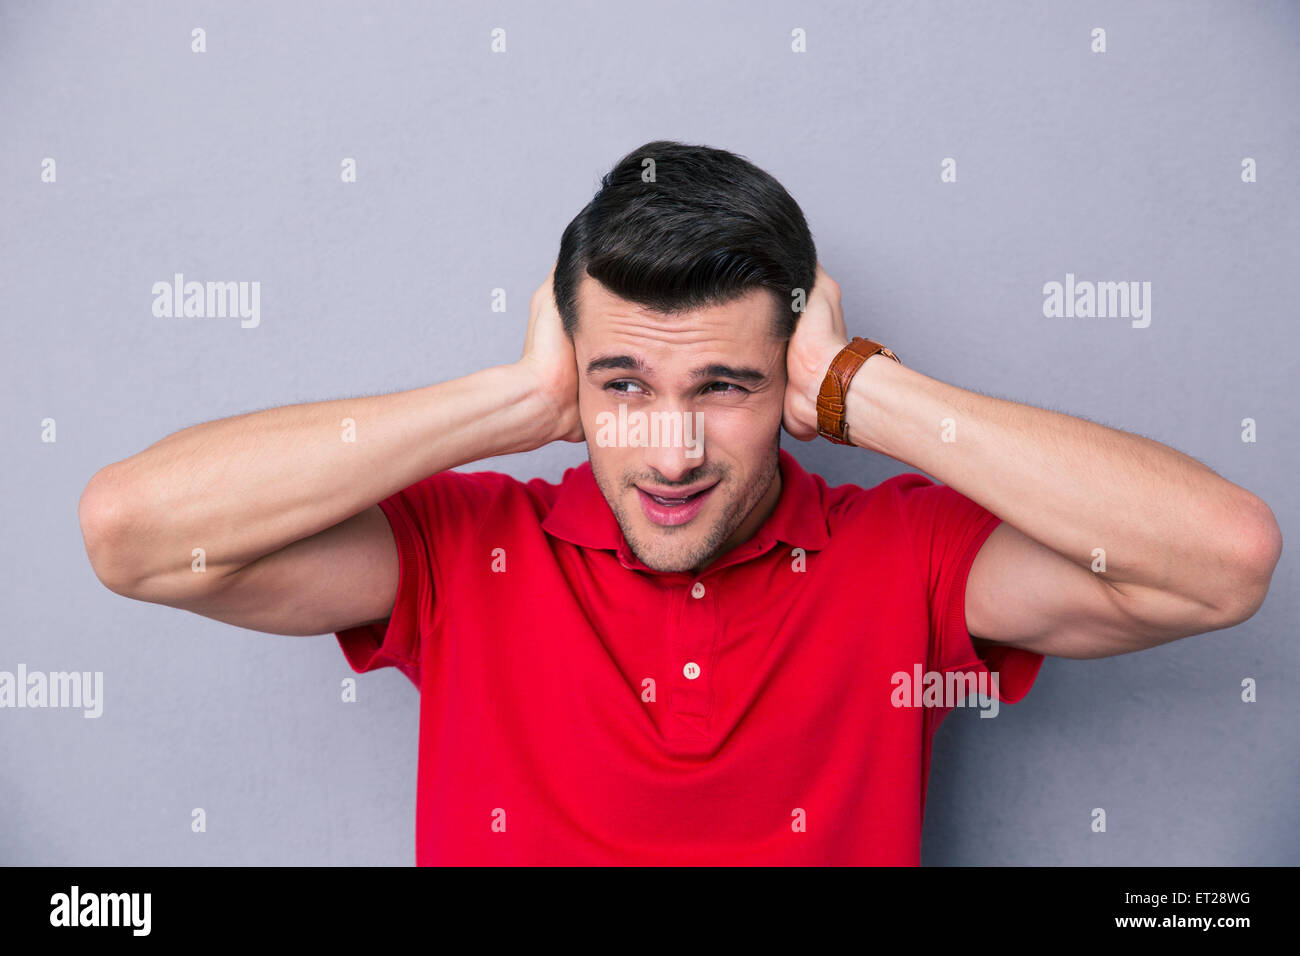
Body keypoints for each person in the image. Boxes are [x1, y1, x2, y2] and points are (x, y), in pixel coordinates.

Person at [77, 140, 1282, 865]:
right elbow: (135, 533)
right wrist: (516, 400)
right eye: (623, 384)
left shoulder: (902, 554)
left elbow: (1222, 559)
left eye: (726, 385)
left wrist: (861, 387)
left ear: (790, 384)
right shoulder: (469, 549)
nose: (670, 449)